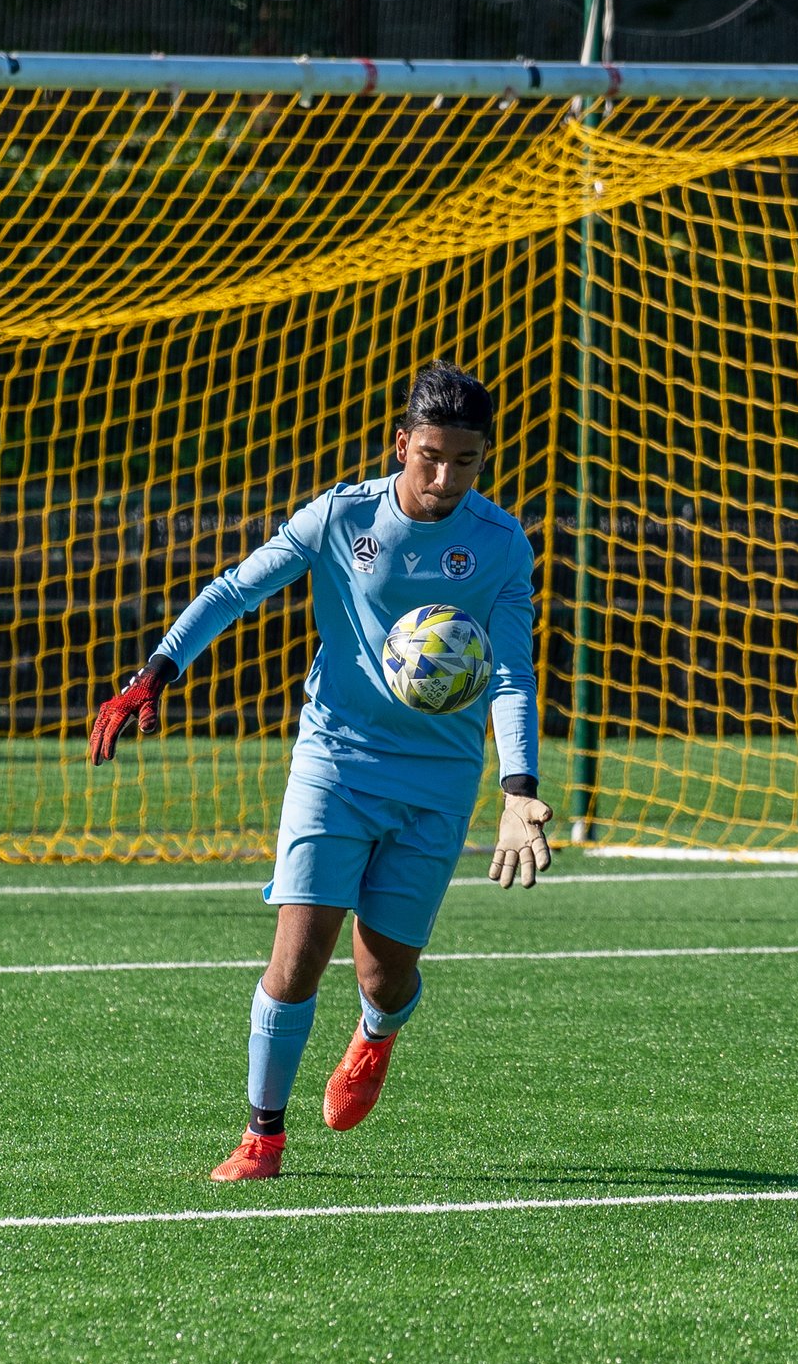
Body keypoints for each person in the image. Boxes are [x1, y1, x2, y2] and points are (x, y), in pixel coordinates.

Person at [87, 362, 551, 1182]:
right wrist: (158, 669)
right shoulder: (340, 519)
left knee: (385, 971)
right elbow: (236, 590)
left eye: (466, 462)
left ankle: (377, 1031)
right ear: (401, 442)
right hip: (333, 761)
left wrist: (519, 792)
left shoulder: (500, 544)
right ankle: (262, 1137)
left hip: (438, 781)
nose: (445, 478)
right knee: (297, 958)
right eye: (431, 456)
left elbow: (511, 674)